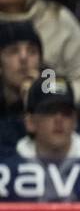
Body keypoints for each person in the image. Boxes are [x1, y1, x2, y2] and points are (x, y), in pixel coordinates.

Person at [16, 74, 80, 164]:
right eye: (49, 111)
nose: (59, 119)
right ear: (30, 122)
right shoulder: (10, 171)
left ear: (75, 120)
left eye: (66, 112)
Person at [0, 17, 39, 152]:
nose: (24, 58)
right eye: (13, 51)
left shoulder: (55, 99)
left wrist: (34, 102)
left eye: (32, 51)